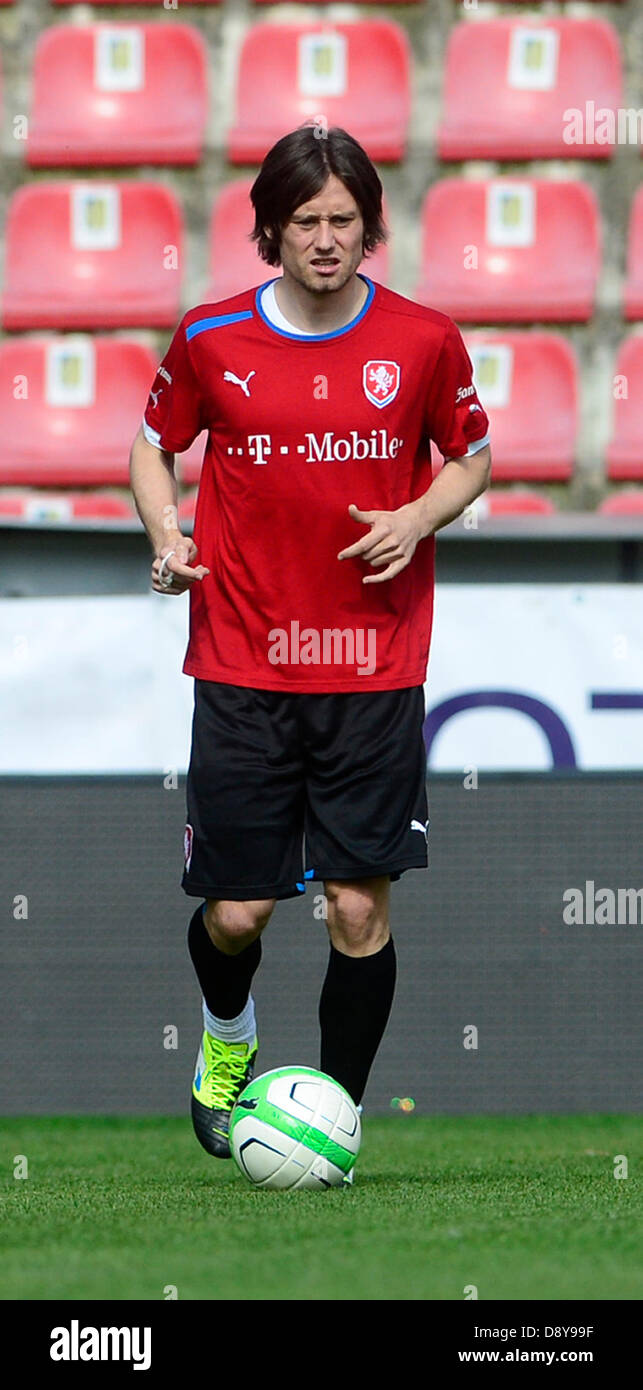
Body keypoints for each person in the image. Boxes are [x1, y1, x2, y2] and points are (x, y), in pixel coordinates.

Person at [129, 125, 491, 1166]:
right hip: (243, 658)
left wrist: (419, 514)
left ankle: (333, 1112)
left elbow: (471, 455)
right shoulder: (210, 338)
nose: (326, 240)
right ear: (269, 231)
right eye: (305, 222)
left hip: (372, 664)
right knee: (239, 913)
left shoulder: (423, 340)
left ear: (369, 227)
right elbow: (155, 451)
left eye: (343, 220)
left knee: (354, 907)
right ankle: (227, 1043)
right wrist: (167, 535)